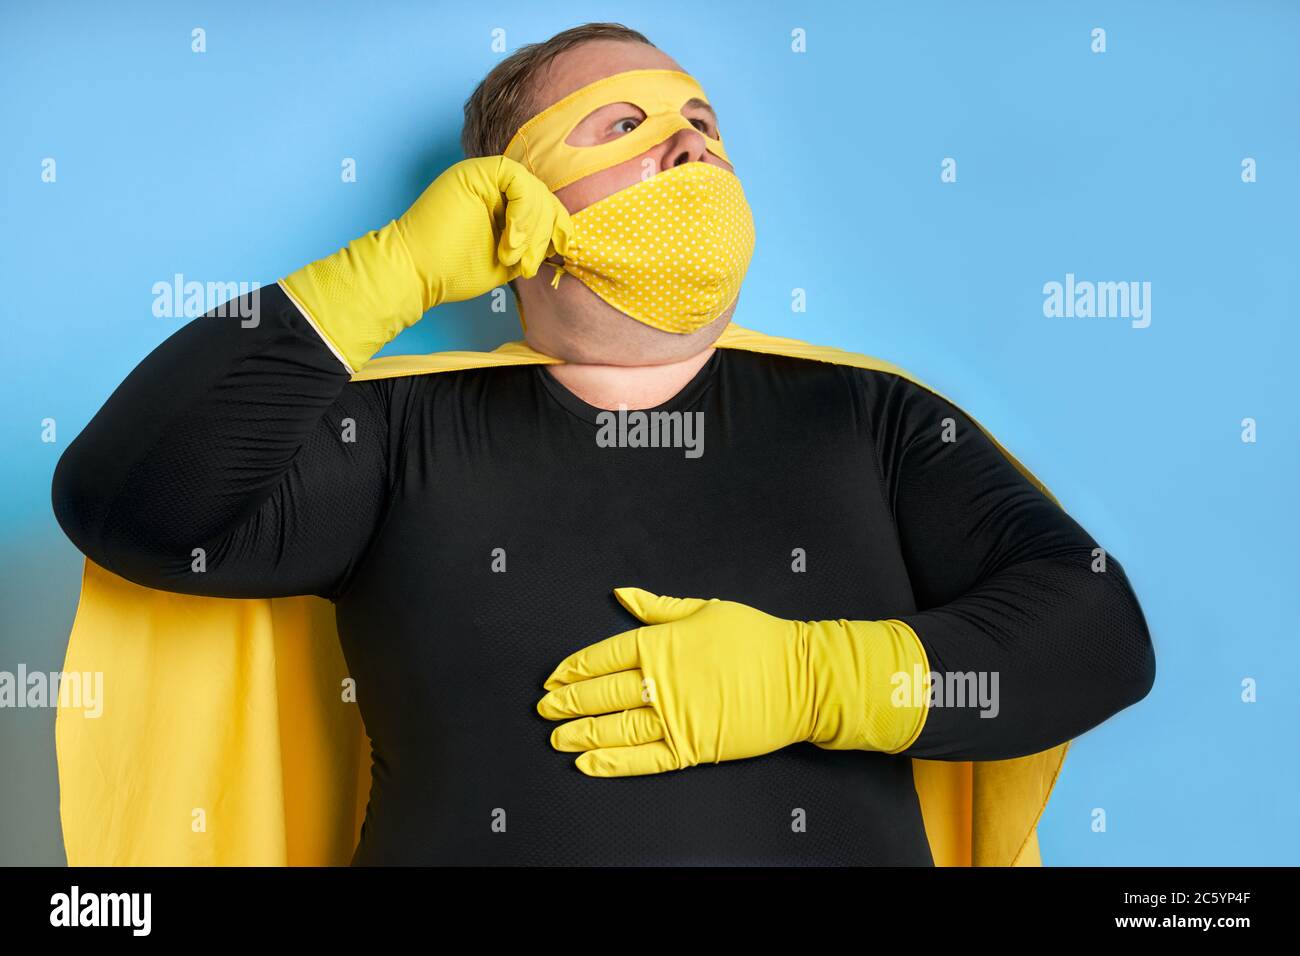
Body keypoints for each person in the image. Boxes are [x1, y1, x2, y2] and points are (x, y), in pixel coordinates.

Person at [51, 22, 1155, 866]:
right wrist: (394, 271)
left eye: (702, 122)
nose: (689, 139)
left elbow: (1098, 633)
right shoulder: (396, 432)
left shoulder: (870, 414)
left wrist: (815, 677)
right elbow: (131, 506)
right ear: (510, 198)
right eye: (623, 124)